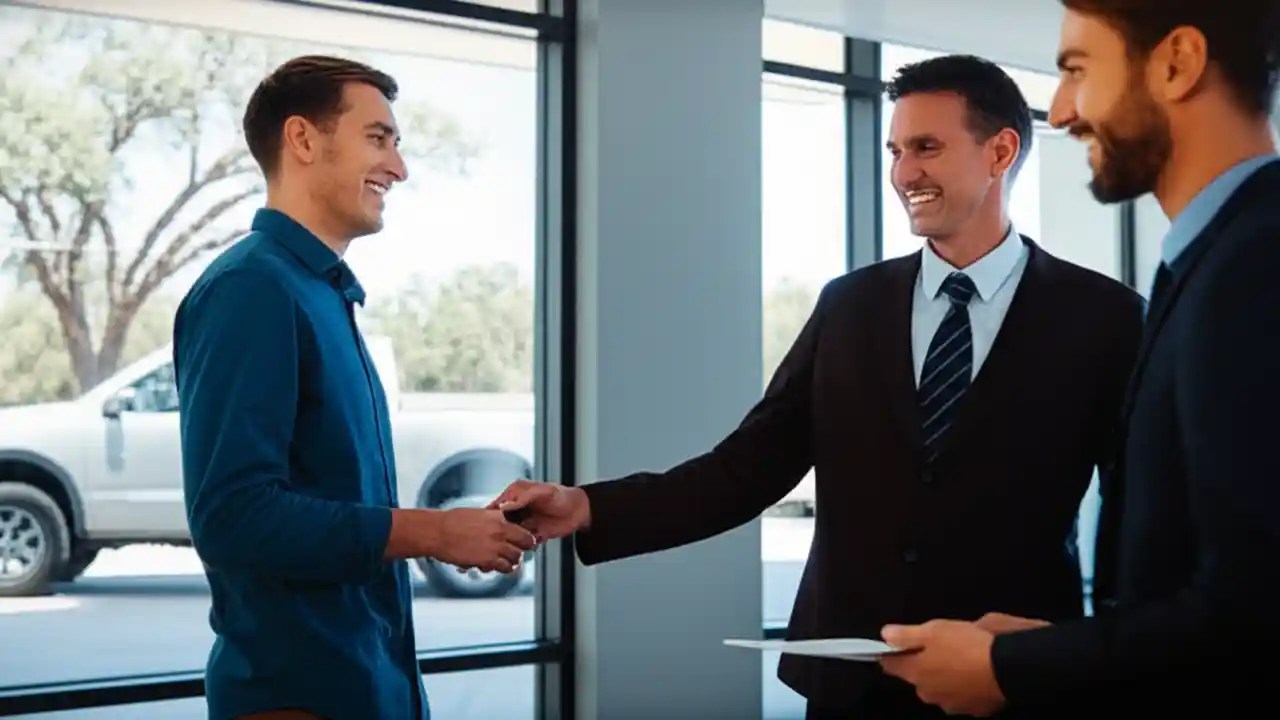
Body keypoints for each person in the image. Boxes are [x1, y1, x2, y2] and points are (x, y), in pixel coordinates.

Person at [490, 54, 1144, 719]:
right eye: (895, 151)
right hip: (850, 685)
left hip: (1009, 683)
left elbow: (1141, 511)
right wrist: (587, 507)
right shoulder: (849, 306)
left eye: (926, 148)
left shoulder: (1105, 317)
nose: (903, 172)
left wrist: (1104, 656)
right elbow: (745, 468)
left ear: (1000, 150)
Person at [878, 2, 1280, 717]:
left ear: (1178, 63)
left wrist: (1019, 665)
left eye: (1075, 70)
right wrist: (1054, 649)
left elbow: (1251, 610)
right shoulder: (1213, 261)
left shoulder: (1254, 267)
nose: (1060, 112)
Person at [173, 55, 536, 720]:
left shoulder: (322, 293)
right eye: (378, 139)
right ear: (304, 140)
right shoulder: (252, 290)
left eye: (396, 144)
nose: (398, 167)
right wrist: (432, 533)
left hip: (367, 682)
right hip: (299, 696)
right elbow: (232, 516)